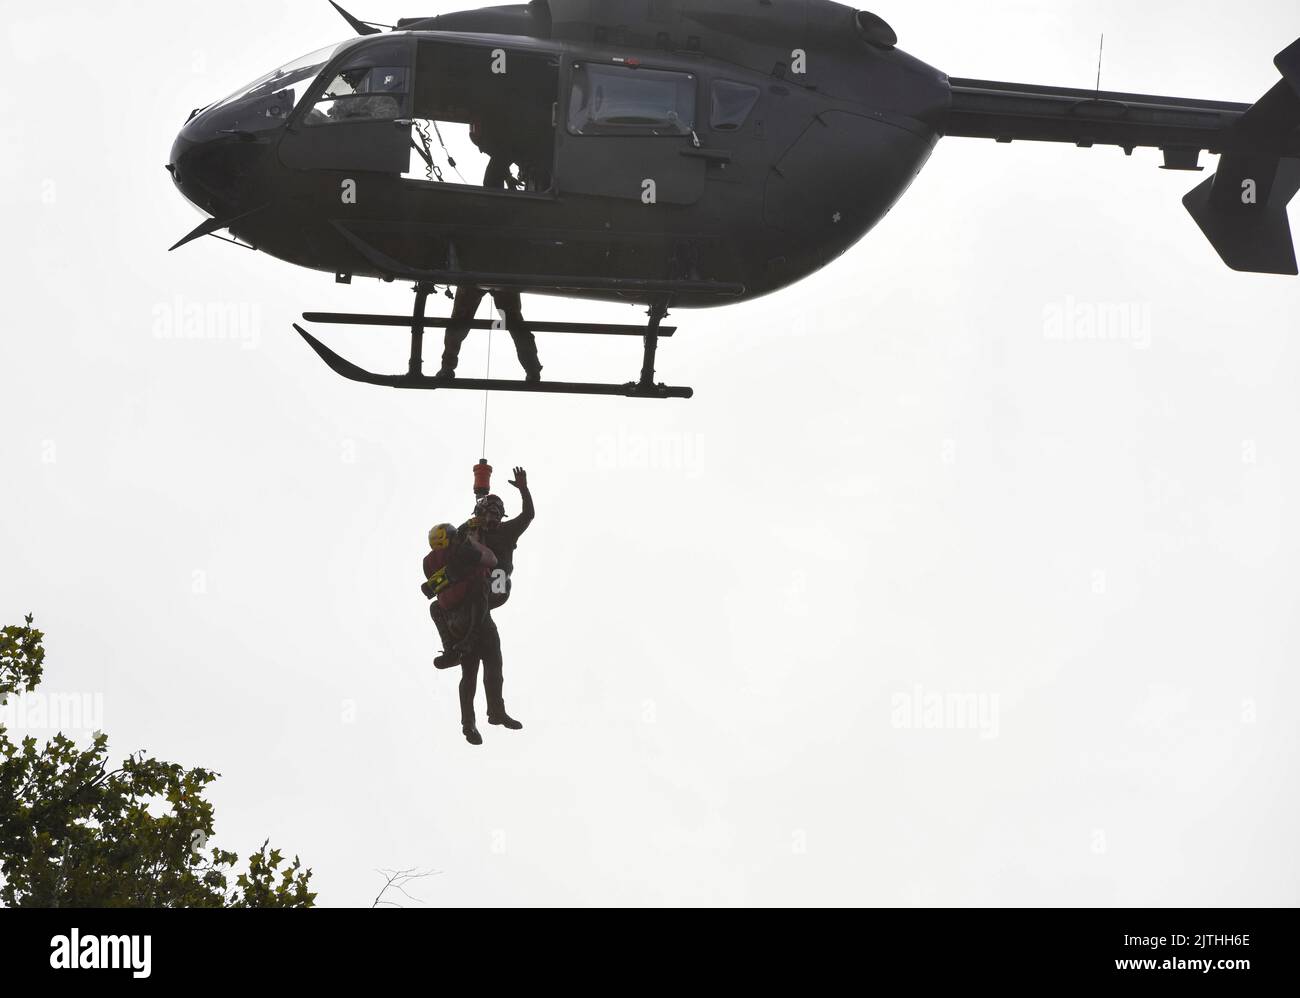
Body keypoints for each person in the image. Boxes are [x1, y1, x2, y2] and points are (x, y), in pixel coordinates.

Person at [435, 122, 543, 383]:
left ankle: (448, 368)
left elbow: (493, 177)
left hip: (477, 272)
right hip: (497, 272)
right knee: (513, 322)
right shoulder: (505, 212)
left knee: (461, 323)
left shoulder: (487, 208)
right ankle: (532, 370)